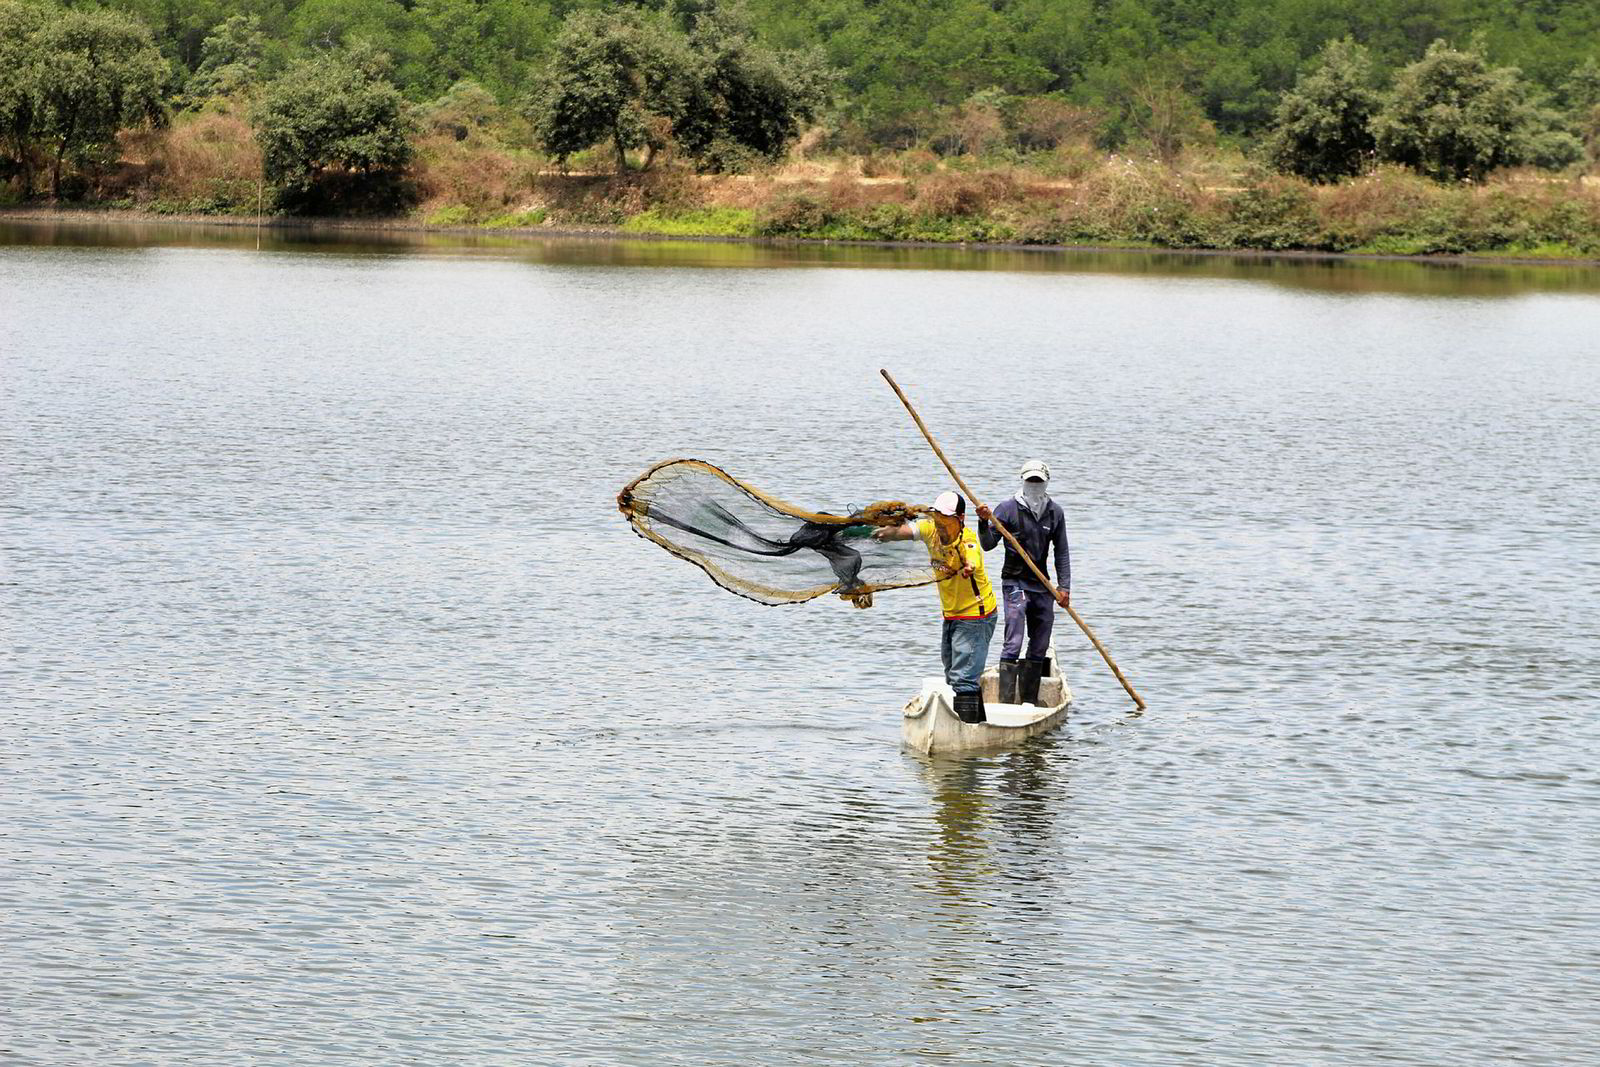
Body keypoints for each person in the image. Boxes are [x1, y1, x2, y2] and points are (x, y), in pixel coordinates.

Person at [875, 490, 997, 724]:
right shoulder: (930, 530)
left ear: (960, 518)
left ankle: (968, 732)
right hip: (951, 615)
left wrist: (969, 567)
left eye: (946, 519)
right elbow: (903, 532)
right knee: (954, 675)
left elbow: (974, 558)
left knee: (963, 678)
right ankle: (979, 723)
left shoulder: (967, 540)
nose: (940, 524)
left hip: (976, 616)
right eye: (938, 518)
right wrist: (882, 532)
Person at [977, 459, 1069, 706]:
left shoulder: (1054, 512)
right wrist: (983, 522)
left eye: (1038, 481)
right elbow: (987, 545)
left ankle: (1029, 699)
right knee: (1014, 639)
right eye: (1031, 481)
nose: (1034, 486)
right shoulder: (1007, 509)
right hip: (1015, 583)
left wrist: (1064, 587)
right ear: (1023, 481)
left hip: (1043, 586)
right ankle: (1006, 703)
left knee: (1040, 642)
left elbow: (1061, 552)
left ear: (1046, 482)